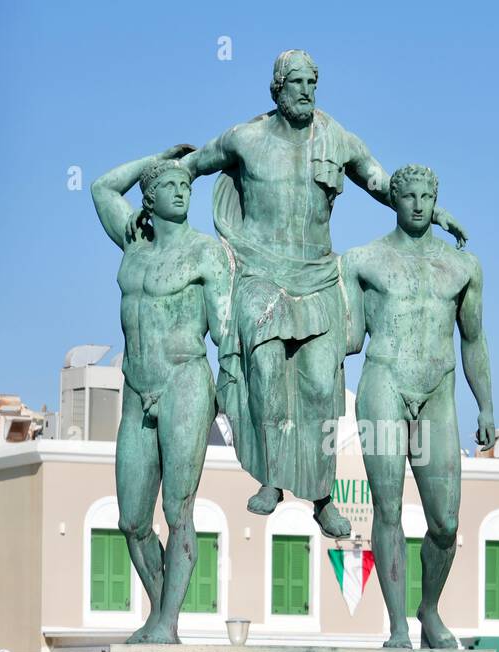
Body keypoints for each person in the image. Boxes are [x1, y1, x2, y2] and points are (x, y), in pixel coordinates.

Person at [173, 50, 468, 539]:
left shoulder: (335, 137)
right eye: (296, 83)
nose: (306, 90)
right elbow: (195, 164)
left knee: (318, 386)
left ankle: (322, 495)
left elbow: (380, 181)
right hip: (261, 274)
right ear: (276, 89)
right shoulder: (245, 140)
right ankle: (271, 478)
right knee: (265, 371)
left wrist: (433, 214)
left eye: (313, 82)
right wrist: (159, 188)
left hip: (316, 275)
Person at [342, 165, 493, 648]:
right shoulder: (364, 261)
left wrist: (486, 406)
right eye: (409, 195)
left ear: (436, 198)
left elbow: (473, 339)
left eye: (428, 195)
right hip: (384, 383)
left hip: (438, 394)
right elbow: (347, 340)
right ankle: (397, 627)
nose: (419, 204)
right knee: (387, 509)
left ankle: (428, 610)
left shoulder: (462, 267)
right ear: (395, 200)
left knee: (445, 522)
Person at [91, 153, 231, 643]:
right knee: (131, 519)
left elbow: (225, 331)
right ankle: (158, 612)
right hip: (136, 387)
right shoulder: (133, 243)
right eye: (170, 186)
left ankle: (167, 624)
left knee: (178, 511)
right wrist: (157, 160)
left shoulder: (205, 253)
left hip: (185, 380)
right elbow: (102, 188)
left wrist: (231, 388)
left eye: (185, 186)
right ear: (148, 199)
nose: (180, 192)